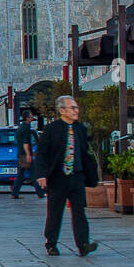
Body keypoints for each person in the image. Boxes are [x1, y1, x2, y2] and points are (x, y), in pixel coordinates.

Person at [34, 96, 99, 257]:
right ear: (62, 110)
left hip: (77, 176)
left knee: (79, 212)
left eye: (76, 108)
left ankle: (83, 244)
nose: (76, 111)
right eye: (72, 108)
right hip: (58, 177)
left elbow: (85, 152)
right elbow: (41, 153)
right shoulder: (52, 129)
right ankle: (51, 243)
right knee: (55, 212)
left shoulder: (80, 129)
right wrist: (41, 175)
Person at [11, 109, 45, 200]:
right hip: (25, 155)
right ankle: (40, 193)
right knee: (34, 174)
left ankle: (14, 193)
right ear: (27, 117)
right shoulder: (26, 128)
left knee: (20, 175)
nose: (32, 117)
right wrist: (29, 154)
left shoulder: (20, 127)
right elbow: (25, 142)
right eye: (31, 116)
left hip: (20, 154)